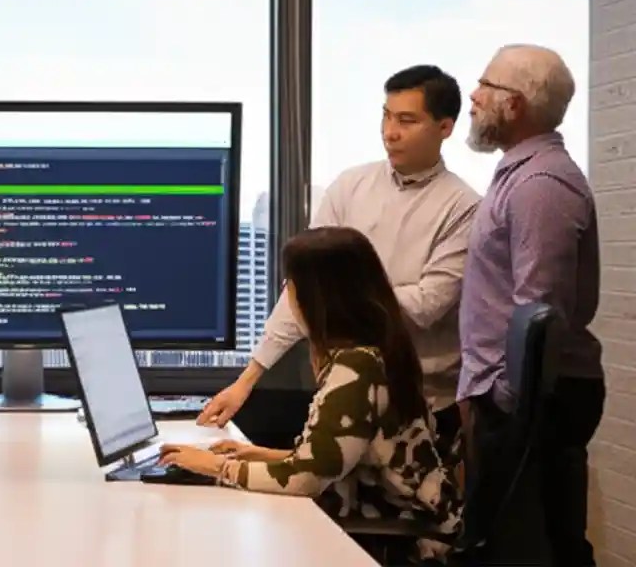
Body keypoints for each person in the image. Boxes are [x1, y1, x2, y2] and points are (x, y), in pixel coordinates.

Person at [200, 65, 481, 456]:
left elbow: (427, 305)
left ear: (445, 127)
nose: (390, 132)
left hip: (421, 405)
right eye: (386, 115)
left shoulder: (464, 207)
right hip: (345, 395)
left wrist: (338, 295)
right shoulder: (350, 186)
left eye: (406, 120)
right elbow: (301, 289)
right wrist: (248, 378)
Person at [162, 226, 463, 564]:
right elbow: (335, 459)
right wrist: (253, 453)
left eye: (290, 285)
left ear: (318, 297)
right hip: (390, 519)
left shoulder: (356, 369)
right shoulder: (374, 351)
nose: (288, 296)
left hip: (402, 541)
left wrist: (216, 466)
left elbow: (307, 479)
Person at [459, 44, 604, 566]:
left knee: (530, 551)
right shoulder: (519, 173)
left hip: (530, 401)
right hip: (518, 396)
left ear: (514, 104)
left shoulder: (541, 185)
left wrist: (500, 400)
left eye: (483, 85)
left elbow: (539, 312)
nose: (472, 97)